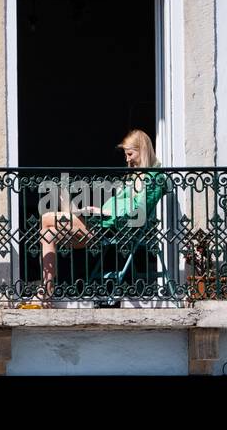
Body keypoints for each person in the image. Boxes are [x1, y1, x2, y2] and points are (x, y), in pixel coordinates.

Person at [35, 129, 165, 303]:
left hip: (108, 228)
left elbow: (138, 212)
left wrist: (106, 212)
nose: (127, 159)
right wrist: (98, 211)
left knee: (47, 219)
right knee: (48, 232)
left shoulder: (154, 178)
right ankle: (47, 290)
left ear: (142, 149)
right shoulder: (134, 178)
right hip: (99, 222)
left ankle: (46, 290)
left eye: (130, 154)